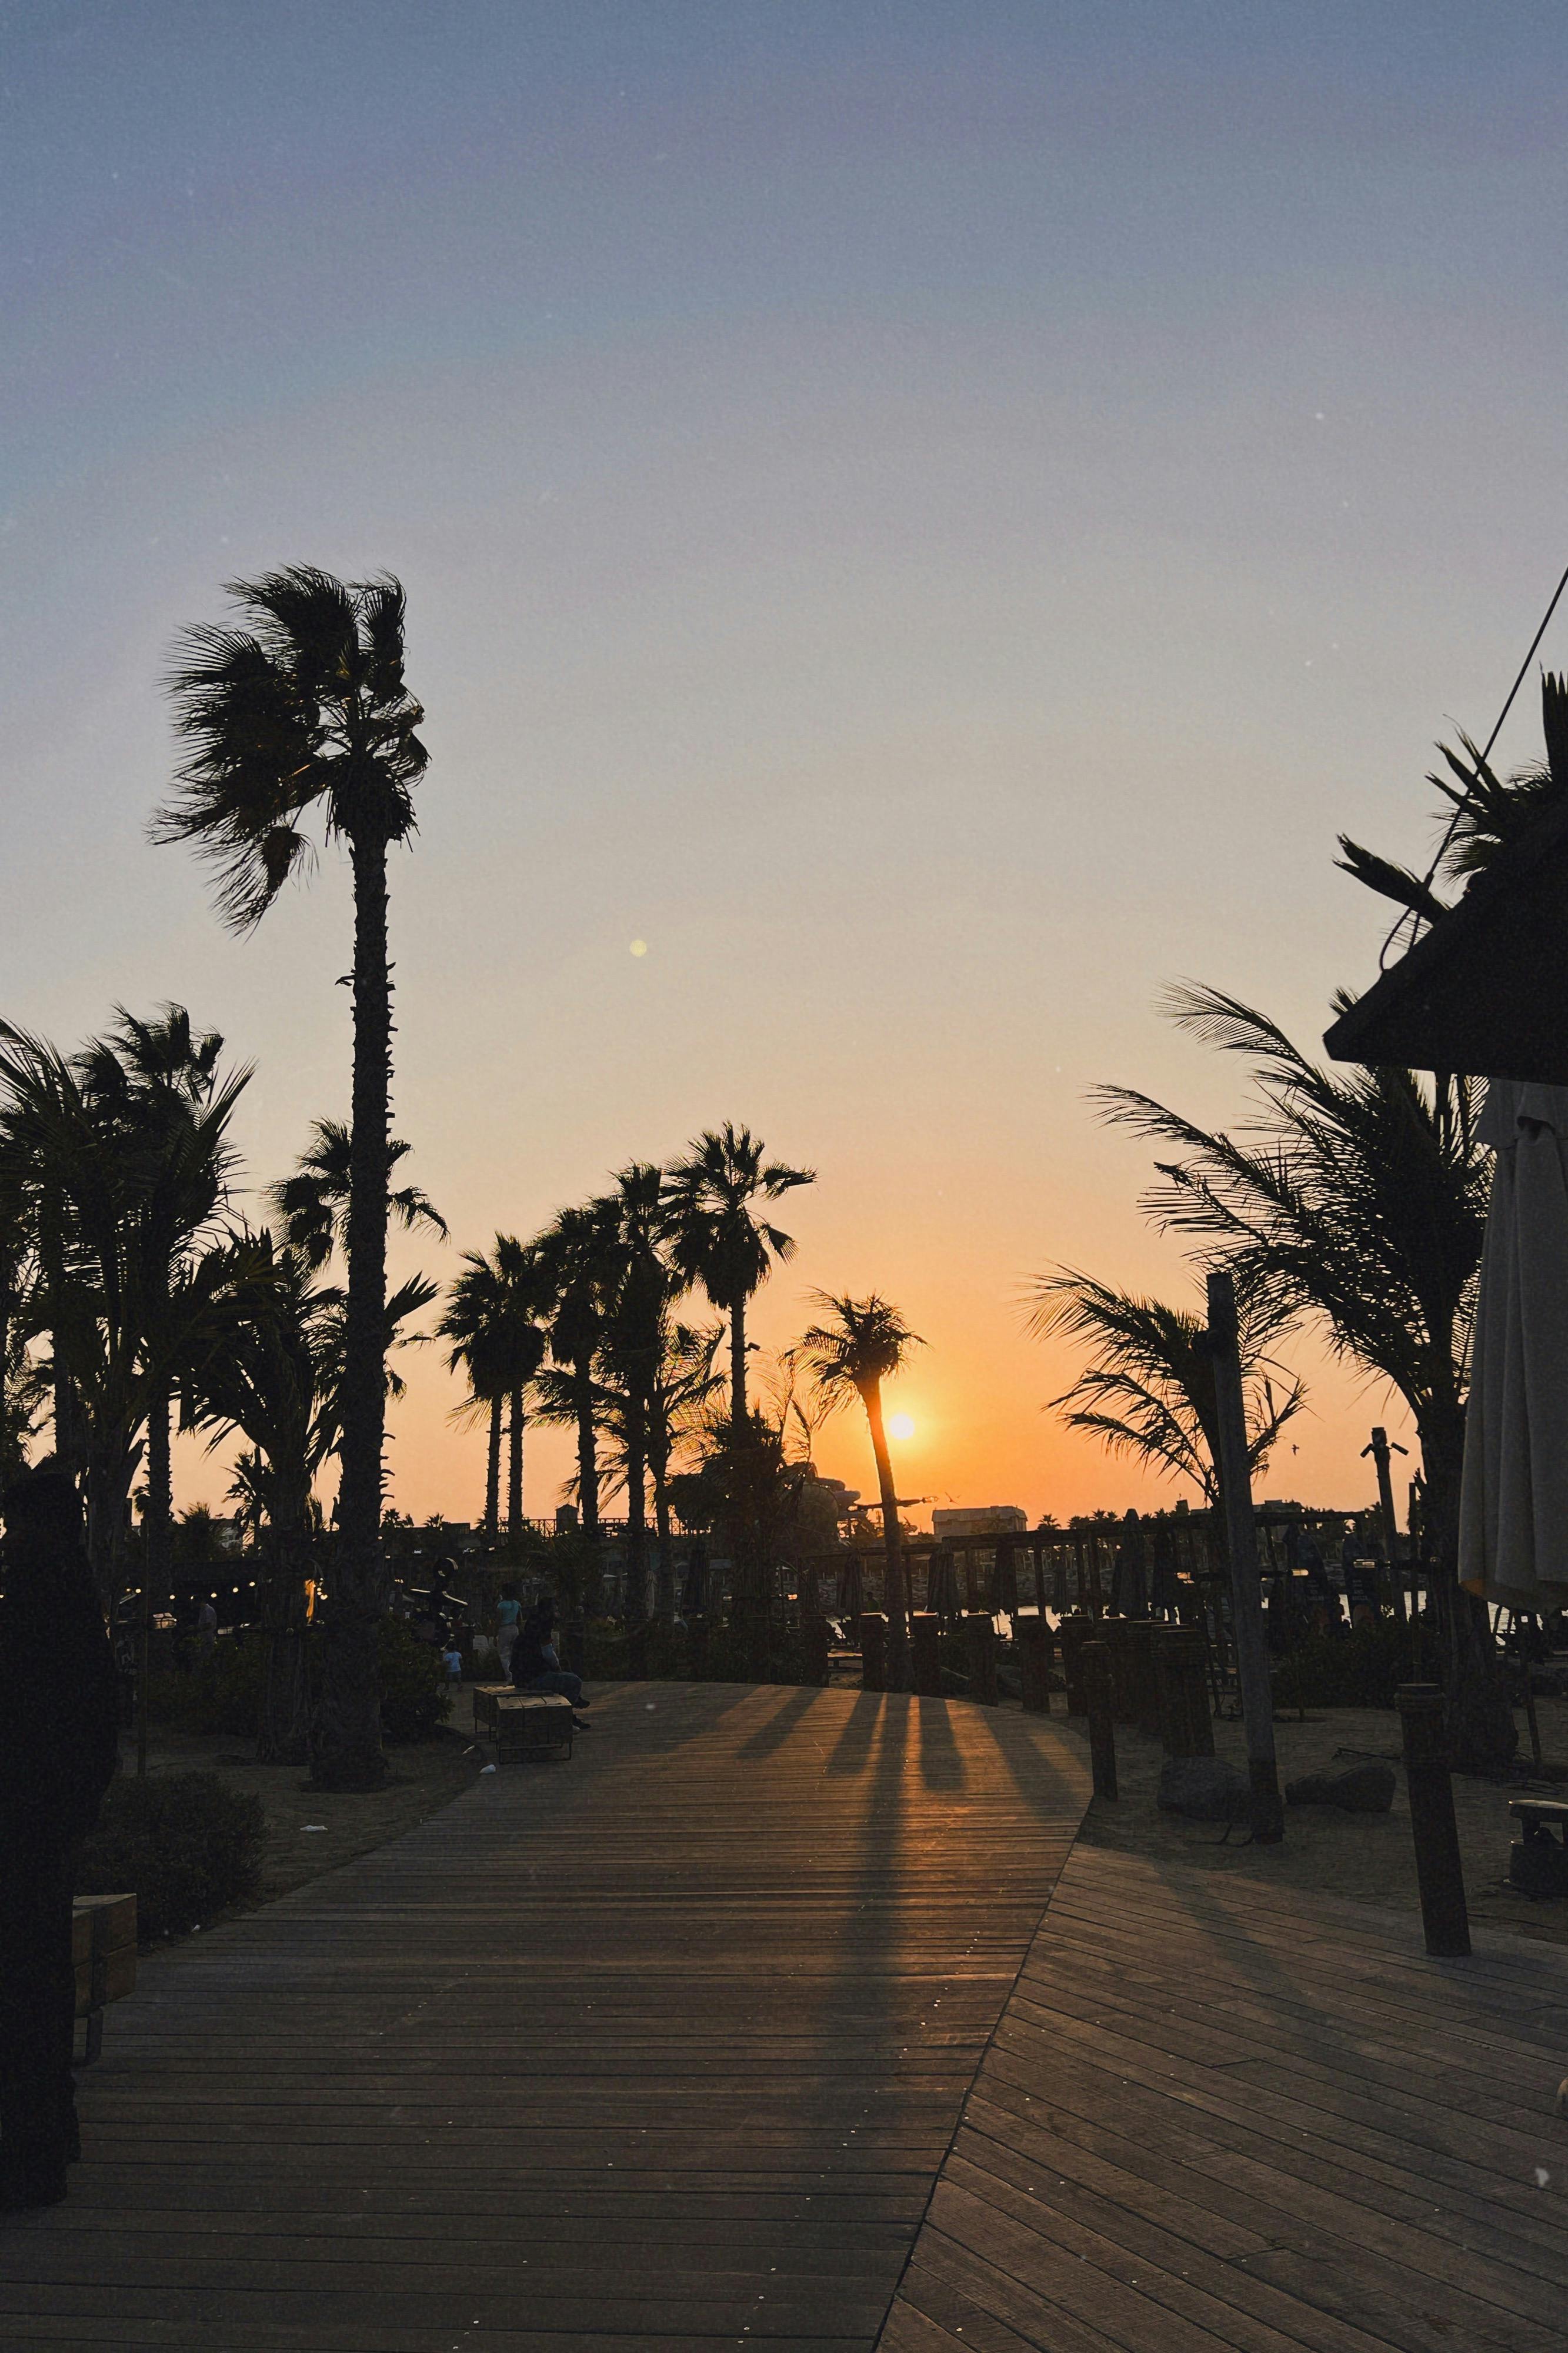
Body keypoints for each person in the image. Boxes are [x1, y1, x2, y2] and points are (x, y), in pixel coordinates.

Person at [0, 1467, 119, 2211]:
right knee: (41, 1977)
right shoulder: (79, 1610)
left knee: (22, 1985)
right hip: (49, 1823)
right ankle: (48, 2135)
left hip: (20, 1821)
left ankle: (31, 2152)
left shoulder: (29, 1614)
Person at [509, 1599, 590, 1727]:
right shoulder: (543, 1629)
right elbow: (549, 1655)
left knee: (564, 1672)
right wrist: (557, 1668)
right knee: (575, 1682)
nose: (558, 1614)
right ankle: (564, 1717)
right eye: (556, 1611)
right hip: (532, 1678)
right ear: (549, 1612)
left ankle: (572, 1707)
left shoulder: (531, 1627)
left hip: (522, 1676)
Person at [494, 1581, 522, 1679]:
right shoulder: (517, 1604)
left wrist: (494, 1634)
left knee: (504, 1654)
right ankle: (517, 1675)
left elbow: (498, 1620)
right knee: (515, 1653)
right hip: (515, 1629)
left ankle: (509, 1676)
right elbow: (520, 1620)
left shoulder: (501, 1605)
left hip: (504, 1630)